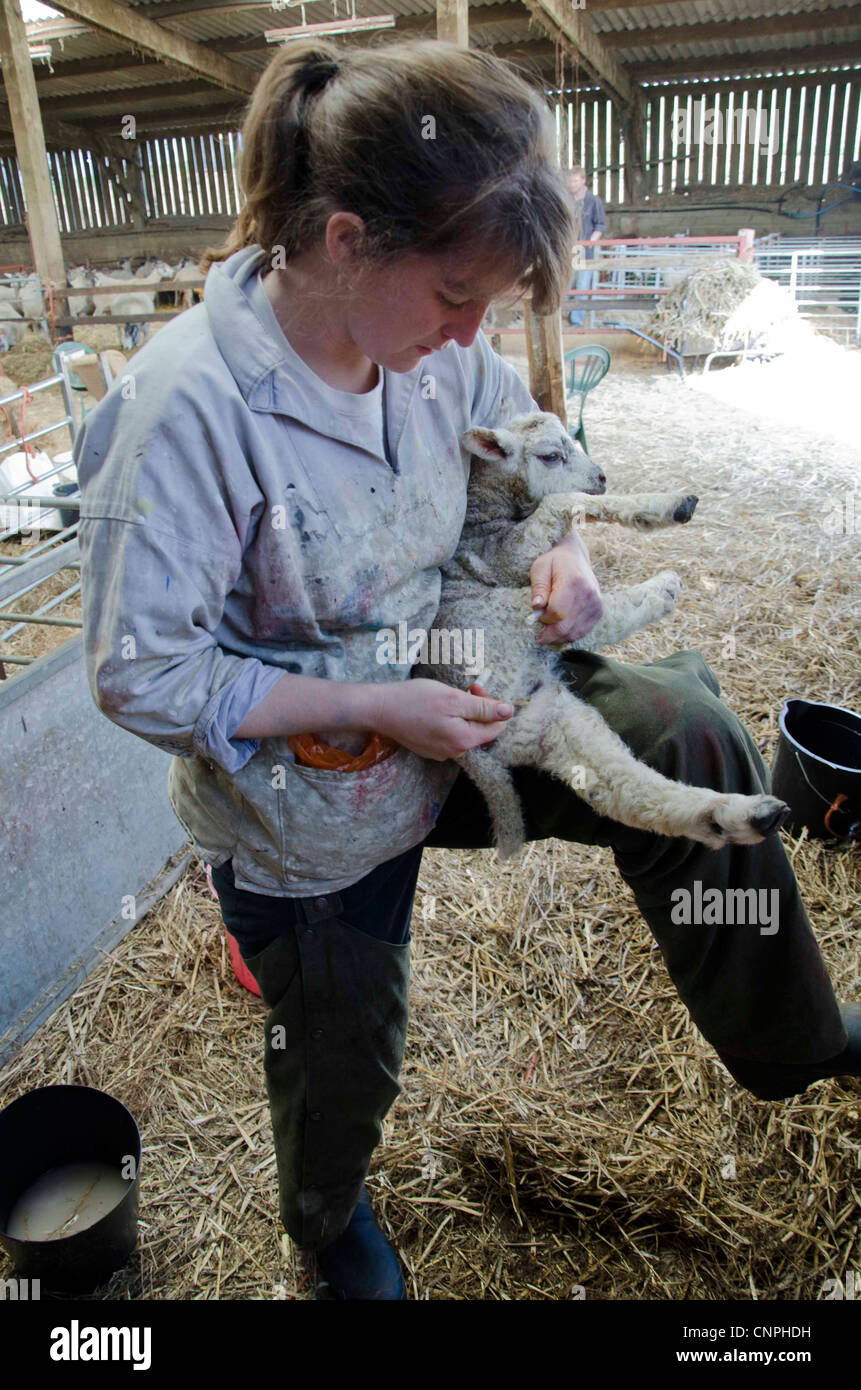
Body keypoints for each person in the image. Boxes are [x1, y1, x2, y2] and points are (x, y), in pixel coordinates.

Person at [74, 38, 861, 1302]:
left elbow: (531, 443)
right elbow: (138, 673)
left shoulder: (436, 351)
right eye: (455, 296)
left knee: (688, 729)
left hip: (474, 677)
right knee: (346, 1050)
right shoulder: (191, 413)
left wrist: (570, 547)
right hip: (317, 801)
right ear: (343, 240)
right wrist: (368, 703)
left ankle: (799, 1040)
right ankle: (327, 1216)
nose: (472, 334)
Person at [567, 165, 606, 327]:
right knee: (565, 285)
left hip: (585, 250)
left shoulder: (593, 201)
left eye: (575, 181)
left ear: (583, 180)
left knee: (582, 286)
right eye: (570, 181)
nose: (572, 184)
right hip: (568, 250)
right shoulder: (566, 200)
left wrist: (589, 242)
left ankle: (576, 321)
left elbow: (600, 225)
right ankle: (561, 316)